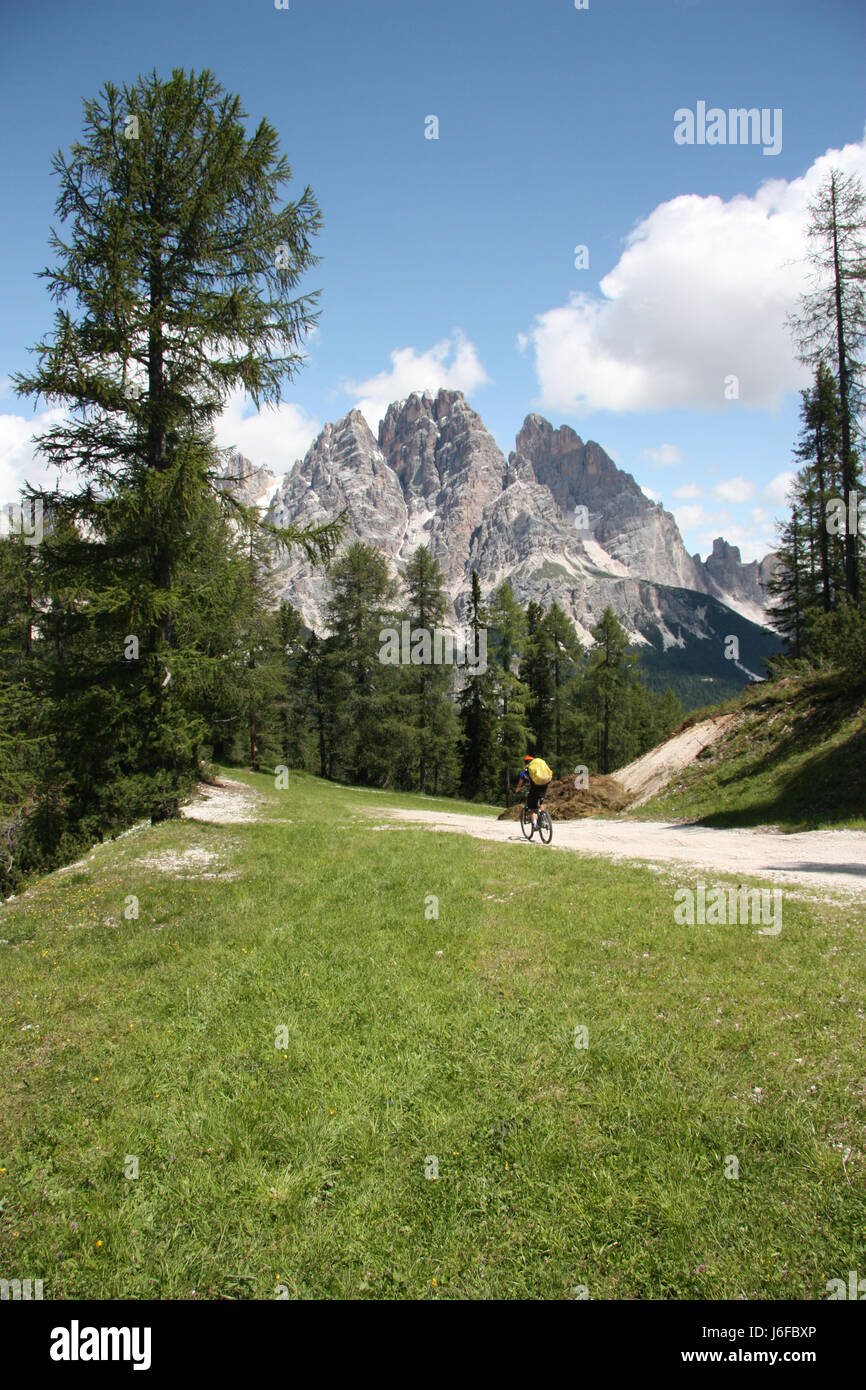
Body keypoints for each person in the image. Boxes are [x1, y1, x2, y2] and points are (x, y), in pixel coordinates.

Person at [517, 754, 552, 828]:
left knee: (532, 807)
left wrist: (517, 790)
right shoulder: (540, 767)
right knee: (541, 801)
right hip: (544, 785)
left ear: (526, 762)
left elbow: (521, 781)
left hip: (535, 787)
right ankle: (545, 821)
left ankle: (535, 824)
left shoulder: (527, 770)